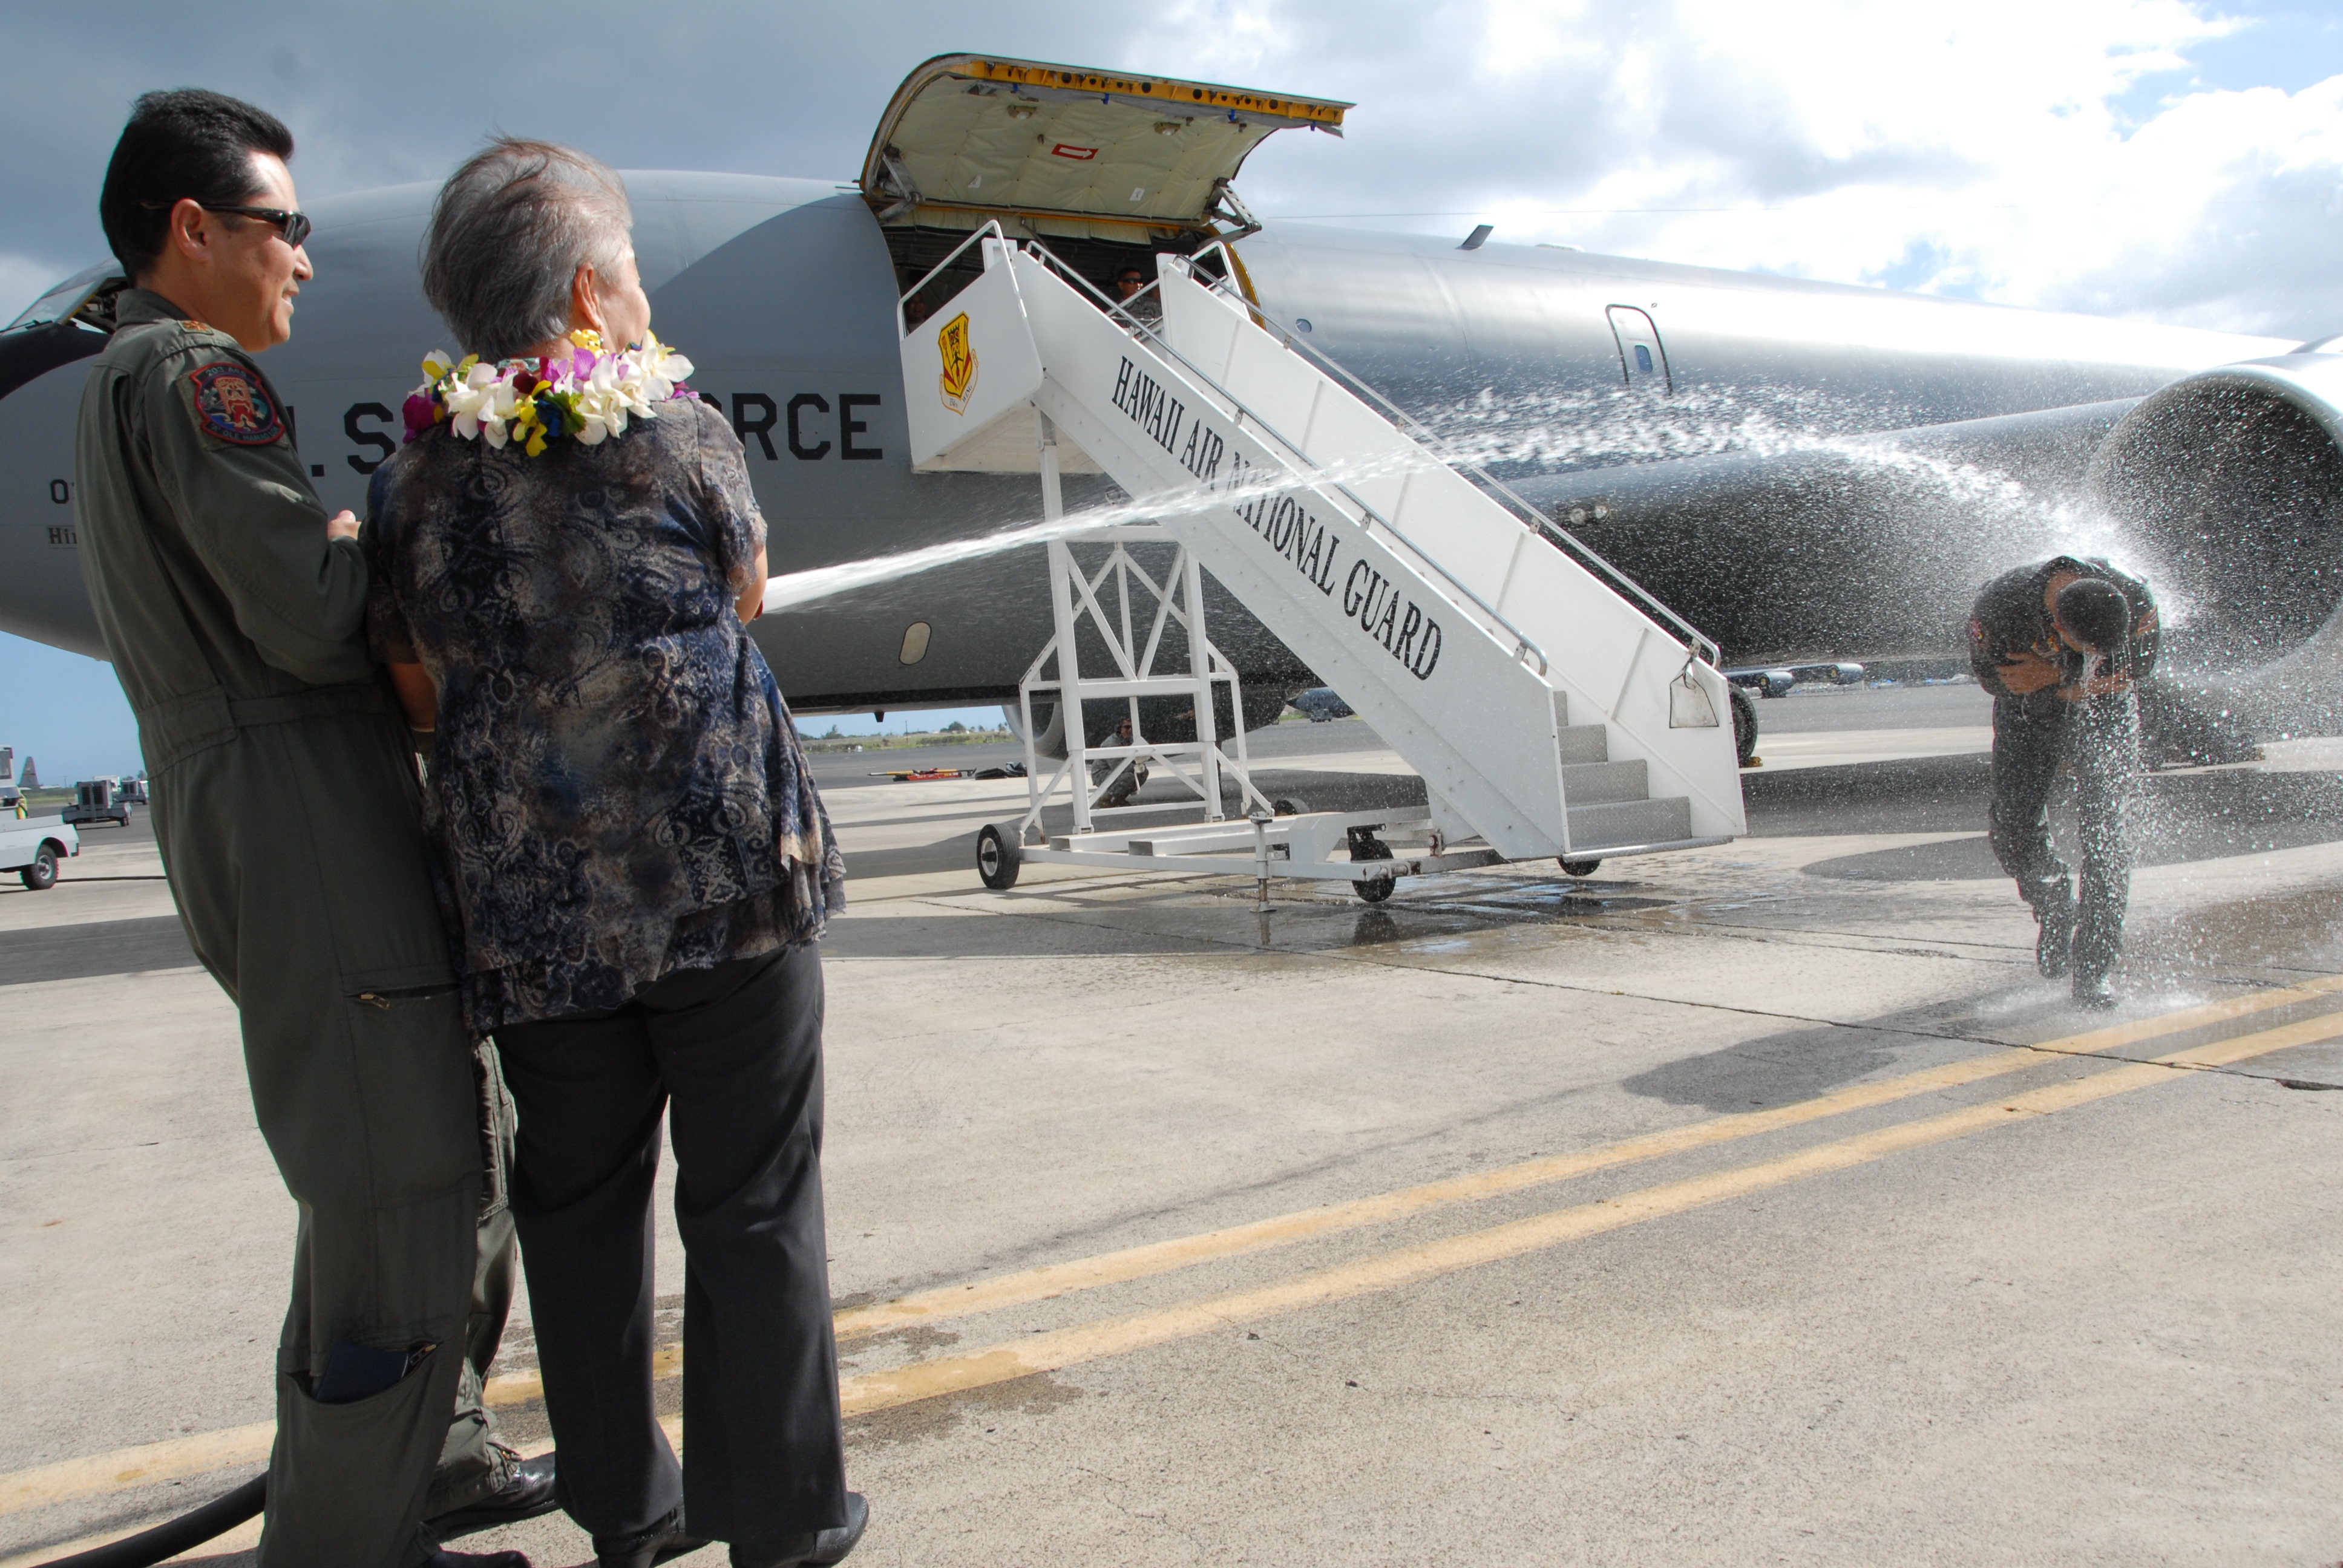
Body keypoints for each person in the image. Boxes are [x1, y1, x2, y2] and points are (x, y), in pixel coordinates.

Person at [364, 139, 865, 1568]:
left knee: (579, 1225)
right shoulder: (681, 433)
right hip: (721, 898)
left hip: (535, 928)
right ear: (590, 295)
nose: (645, 296)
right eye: (633, 270)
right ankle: (782, 1519)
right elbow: (747, 588)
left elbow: (411, 695)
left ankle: (628, 1524)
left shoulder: (409, 487)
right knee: (752, 1202)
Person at [71, 91, 553, 1568]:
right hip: (302, 819)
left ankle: (439, 1455)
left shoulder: (123, 382)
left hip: (283, 810)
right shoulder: (193, 377)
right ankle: (349, 1541)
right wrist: (365, 540)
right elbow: (308, 611)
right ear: (193, 229)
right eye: (285, 228)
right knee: (400, 1174)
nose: (303, 260)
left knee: (447, 1134)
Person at [1967, 554, 2160, 1008]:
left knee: (2106, 836)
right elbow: (1994, 679)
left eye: (2102, 653)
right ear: (2055, 623)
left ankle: (2095, 968)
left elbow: (2141, 667)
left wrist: (2058, 673)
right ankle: (2053, 902)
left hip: (2107, 711)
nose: (2098, 659)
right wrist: (2078, 680)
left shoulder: (2134, 593)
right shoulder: (2000, 606)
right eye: (2085, 648)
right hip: (2026, 709)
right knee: (2013, 827)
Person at [1091, 713, 1150, 807]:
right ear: (1119, 729)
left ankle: (1119, 799)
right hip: (1102, 773)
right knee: (1128, 777)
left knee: (1143, 773)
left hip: (1119, 770)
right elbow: (1117, 767)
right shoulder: (1112, 744)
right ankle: (1105, 799)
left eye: (1132, 727)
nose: (1130, 730)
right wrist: (1135, 767)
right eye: (1127, 727)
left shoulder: (1129, 741)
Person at [1112, 263, 1162, 328]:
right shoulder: (1113, 310)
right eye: (1132, 281)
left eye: (1140, 281)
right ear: (1121, 285)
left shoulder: (1153, 305)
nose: (1138, 285)